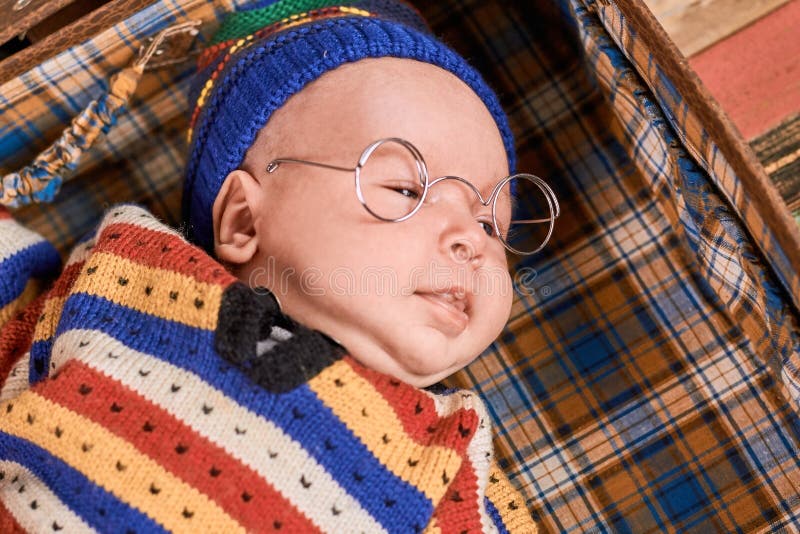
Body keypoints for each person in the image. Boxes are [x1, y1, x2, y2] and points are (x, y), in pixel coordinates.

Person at [0, 0, 553, 531]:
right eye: (407, 189)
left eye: (491, 225)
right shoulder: (126, 278)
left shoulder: (449, 459)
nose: (469, 241)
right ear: (243, 221)